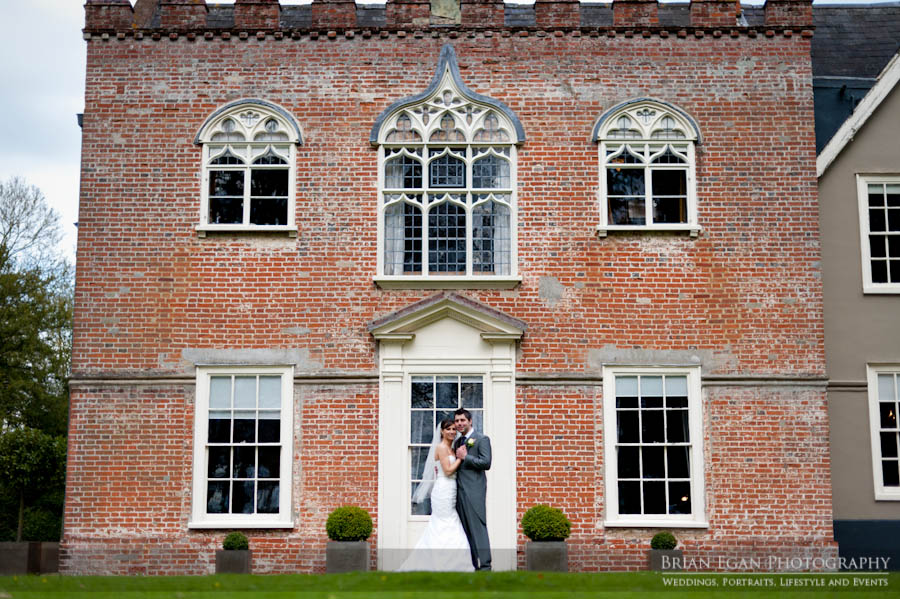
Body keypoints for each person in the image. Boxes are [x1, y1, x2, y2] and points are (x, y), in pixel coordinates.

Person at [397, 418, 474, 571]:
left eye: (453, 429)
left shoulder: (452, 448)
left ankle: (454, 563)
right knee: (443, 522)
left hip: (452, 489)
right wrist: (460, 458)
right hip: (443, 489)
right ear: (442, 432)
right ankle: (440, 562)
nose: (451, 432)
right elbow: (448, 470)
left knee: (451, 521)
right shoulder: (441, 448)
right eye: (448, 429)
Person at [453, 408, 492, 571]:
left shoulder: (482, 439)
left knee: (478, 528)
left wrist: (466, 457)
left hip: (474, 490)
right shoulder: (457, 442)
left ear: (470, 421)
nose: (459, 423)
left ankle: (485, 565)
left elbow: (486, 463)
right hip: (458, 491)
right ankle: (473, 565)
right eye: (457, 421)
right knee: (465, 530)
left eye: (462, 420)